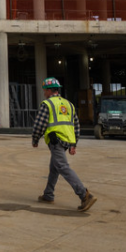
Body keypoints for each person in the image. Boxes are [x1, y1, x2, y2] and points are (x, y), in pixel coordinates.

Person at [32, 77, 96, 212]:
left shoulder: (47, 104)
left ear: (49, 90)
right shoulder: (69, 104)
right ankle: (48, 195)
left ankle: (84, 195)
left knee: (62, 167)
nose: (44, 93)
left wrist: (35, 139)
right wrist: (74, 144)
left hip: (56, 141)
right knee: (54, 167)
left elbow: (39, 124)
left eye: (45, 90)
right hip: (67, 141)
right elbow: (76, 125)